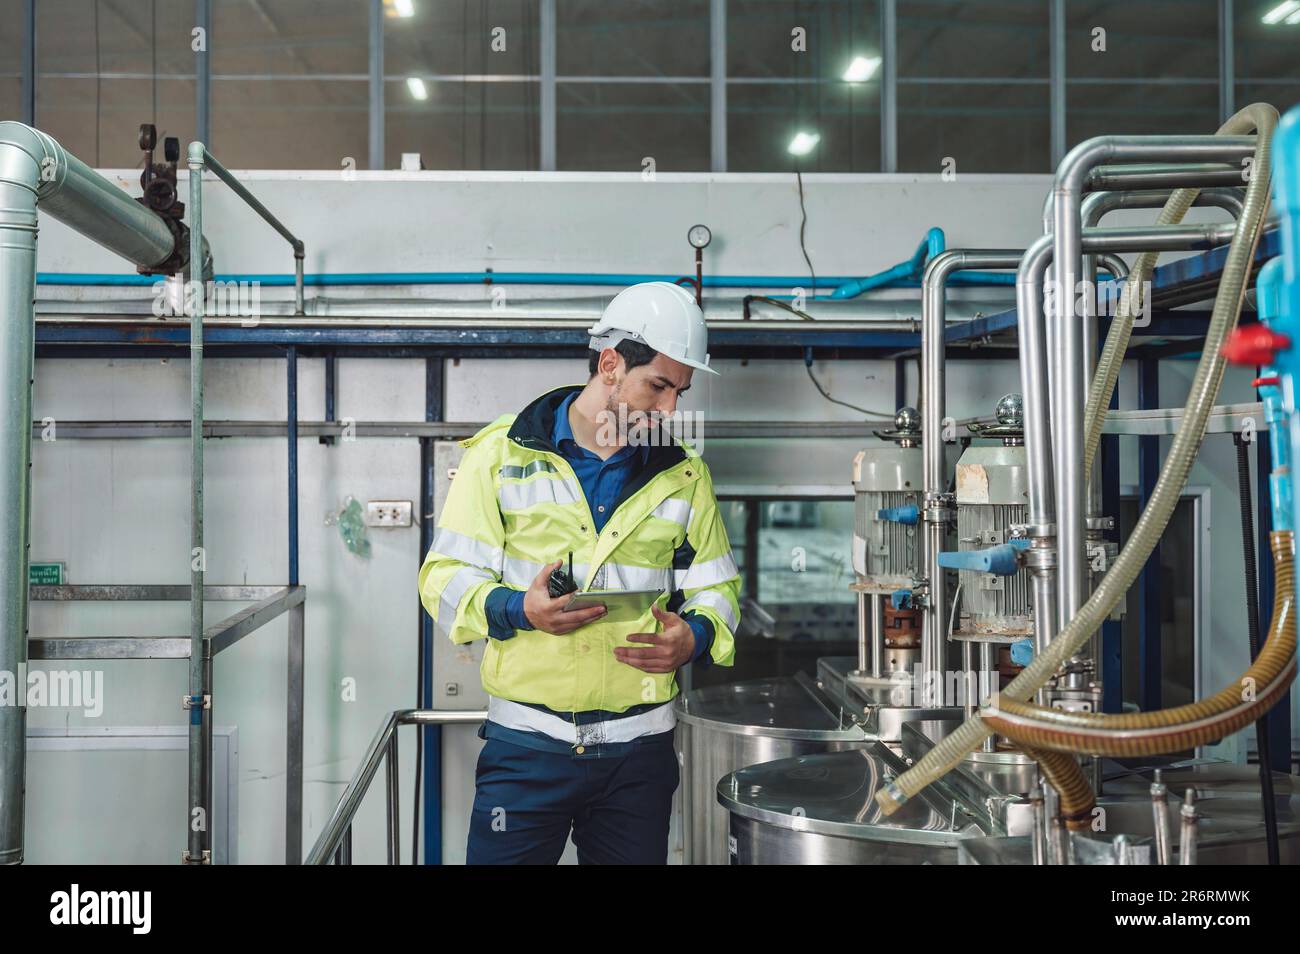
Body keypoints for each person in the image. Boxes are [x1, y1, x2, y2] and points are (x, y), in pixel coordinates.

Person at [419, 281, 740, 864]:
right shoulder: (501, 455)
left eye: (680, 392)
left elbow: (717, 588)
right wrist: (521, 610)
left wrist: (694, 636)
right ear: (611, 365)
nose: (670, 410)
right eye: (659, 386)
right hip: (526, 750)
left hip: (639, 755)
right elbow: (443, 578)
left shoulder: (685, 475)